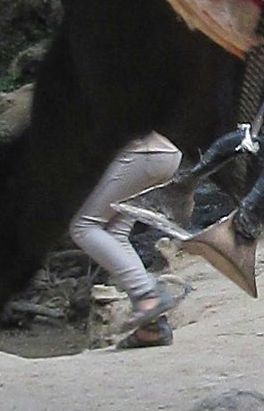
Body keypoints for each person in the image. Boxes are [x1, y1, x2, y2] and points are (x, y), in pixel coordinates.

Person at [68, 133, 189, 347]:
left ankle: (148, 296)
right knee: (116, 233)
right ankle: (153, 329)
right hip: (163, 153)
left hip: (142, 154)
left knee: (84, 226)